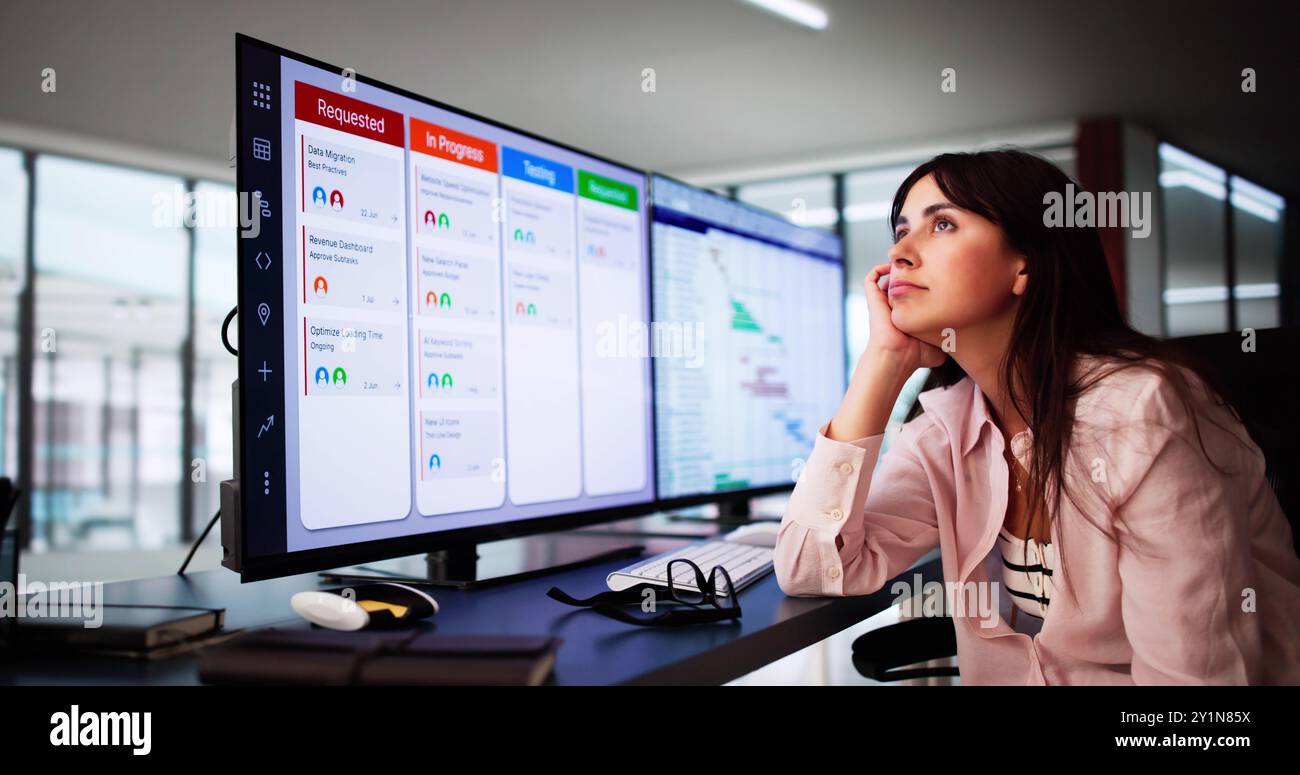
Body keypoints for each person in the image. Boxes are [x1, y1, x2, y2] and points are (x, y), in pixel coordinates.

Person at [774, 148, 1300, 685]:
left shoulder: (1139, 412)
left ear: (1023, 264)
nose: (899, 255)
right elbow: (810, 566)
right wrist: (881, 363)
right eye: (901, 230)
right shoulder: (945, 430)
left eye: (943, 224)